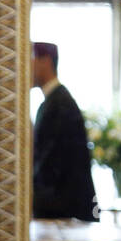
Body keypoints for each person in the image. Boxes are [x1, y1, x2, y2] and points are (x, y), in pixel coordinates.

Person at [31, 42, 98, 221]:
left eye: (30, 59)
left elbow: (50, 168)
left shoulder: (59, 104)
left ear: (45, 61)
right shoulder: (53, 102)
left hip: (67, 216)